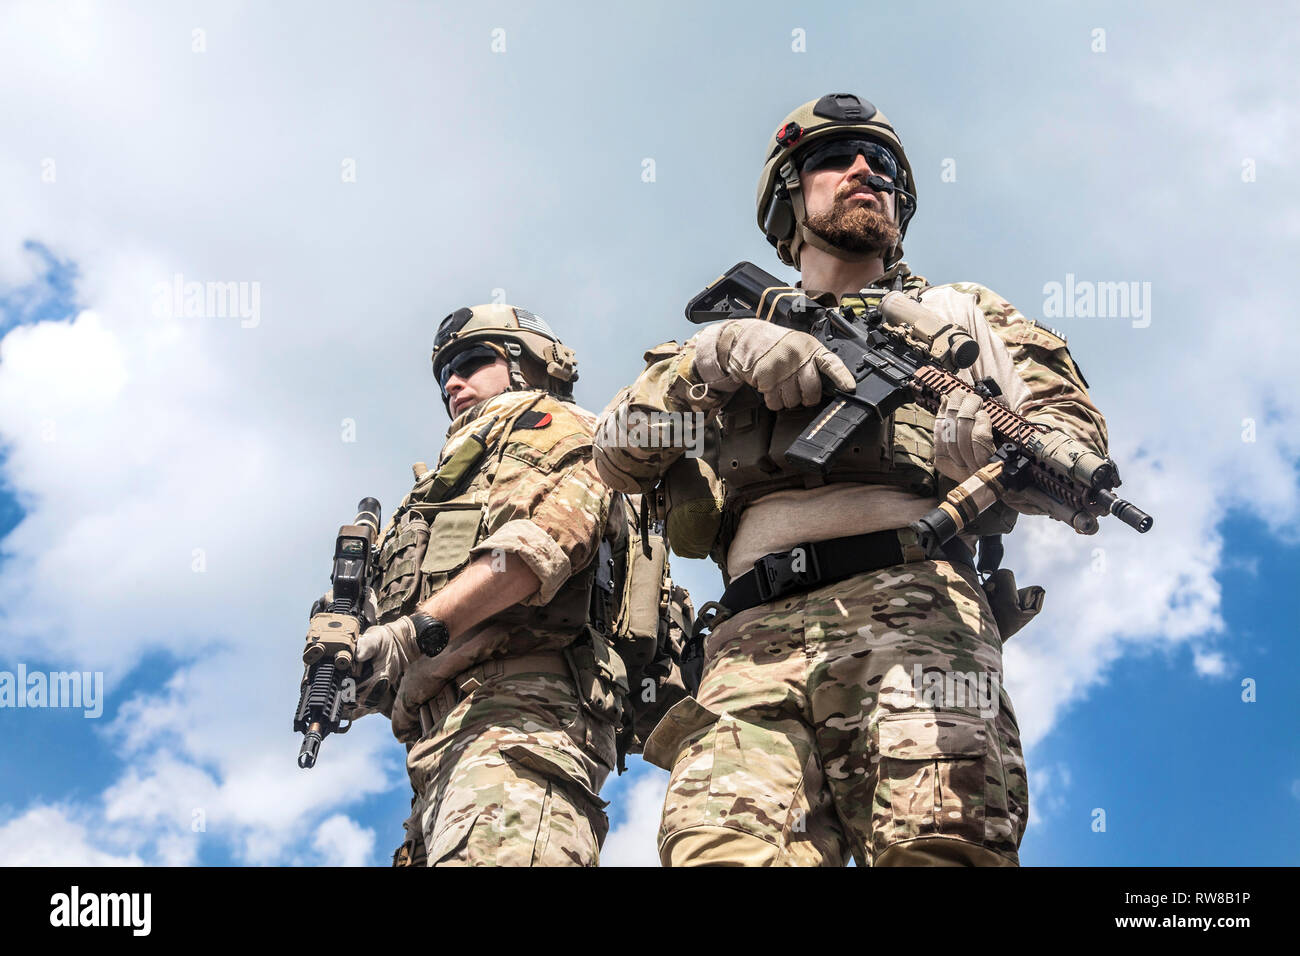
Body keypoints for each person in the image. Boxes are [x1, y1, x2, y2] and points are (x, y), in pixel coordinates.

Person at [592, 93, 1108, 866]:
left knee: (939, 849)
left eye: (886, 165)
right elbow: (615, 455)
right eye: (834, 159)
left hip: (915, 612)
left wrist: (987, 447)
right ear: (786, 199)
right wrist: (715, 357)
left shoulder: (959, 315)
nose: (867, 170)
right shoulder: (724, 341)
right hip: (745, 643)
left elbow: (1069, 438)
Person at [350, 303, 624, 866]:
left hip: (520, 718)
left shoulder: (547, 423)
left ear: (532, 363)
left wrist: (413, 631)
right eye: (444, 376)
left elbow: (539, 547)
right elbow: (400, 640)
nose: (452, 382)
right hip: (439, 747)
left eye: (473, 361)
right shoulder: (443, 484)